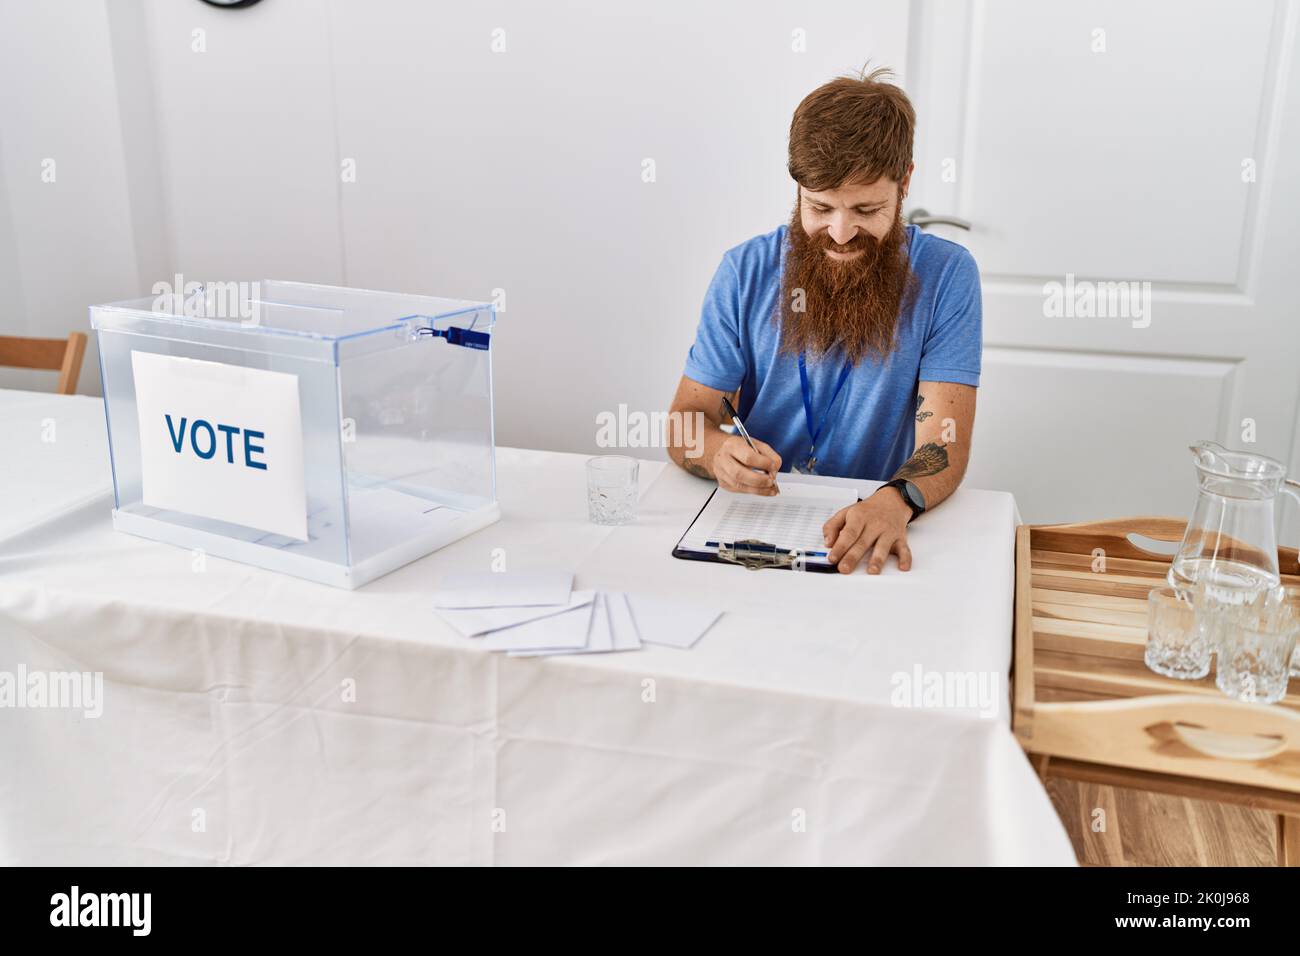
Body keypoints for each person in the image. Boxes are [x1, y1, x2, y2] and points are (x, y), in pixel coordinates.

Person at [666, 67, 981, 575]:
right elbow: (686, 422)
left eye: (865, 208)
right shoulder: (743, 271)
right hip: (754, 528)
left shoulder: (948, 275)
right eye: (819, 207)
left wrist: (895, 500)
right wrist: (718, 449)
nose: (839, 233)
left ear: (905, 183)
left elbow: (943, 442)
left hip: (871, 525)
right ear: (797, 190)